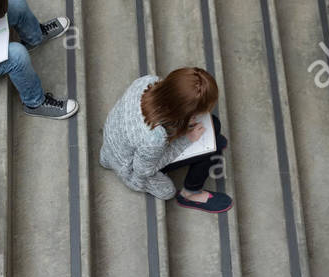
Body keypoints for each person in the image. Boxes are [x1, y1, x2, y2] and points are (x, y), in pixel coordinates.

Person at [99, 66, 232, 212]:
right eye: (194, 115)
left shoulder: (148, 81)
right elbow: (142, 171)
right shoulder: (154, 138)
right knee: (170, 189)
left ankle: (107, 159)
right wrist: (187, 140)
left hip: (113, 140)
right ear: (181, 113)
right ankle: (191, 194)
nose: (199, 116)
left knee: (214, 124)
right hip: (130, 169)